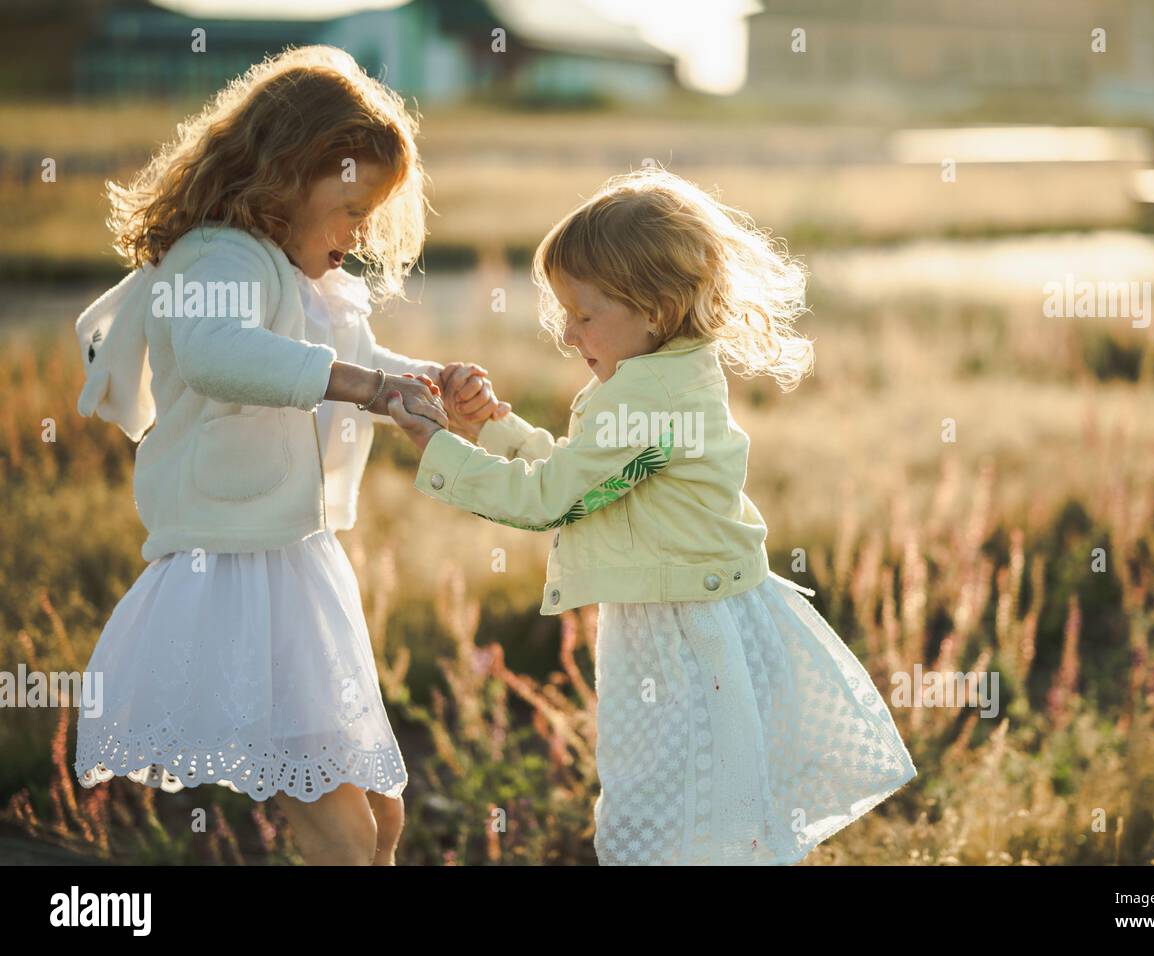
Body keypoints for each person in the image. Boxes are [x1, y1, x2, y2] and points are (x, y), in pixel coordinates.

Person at [387, 166, 918, 865]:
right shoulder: (666, 375)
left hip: (682, 635)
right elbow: (588, 480)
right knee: (699, 813)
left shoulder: (646, 398)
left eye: (584, 315)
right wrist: (491, 428)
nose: (568, 334)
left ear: (656, 310)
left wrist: (438, 450)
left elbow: (551, 500)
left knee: (670, 817)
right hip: (690, 620)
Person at [71, 45, 507, 865]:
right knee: (340, 822)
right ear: (282, 178)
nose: (360, 232)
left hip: (296, 560)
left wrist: (431, 383)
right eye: (350, 209)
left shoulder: (303, 277)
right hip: (236, 570)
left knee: (381, 813)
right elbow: (218, 354)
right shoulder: (216, 256)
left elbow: (356, 361)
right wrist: (367, 387)